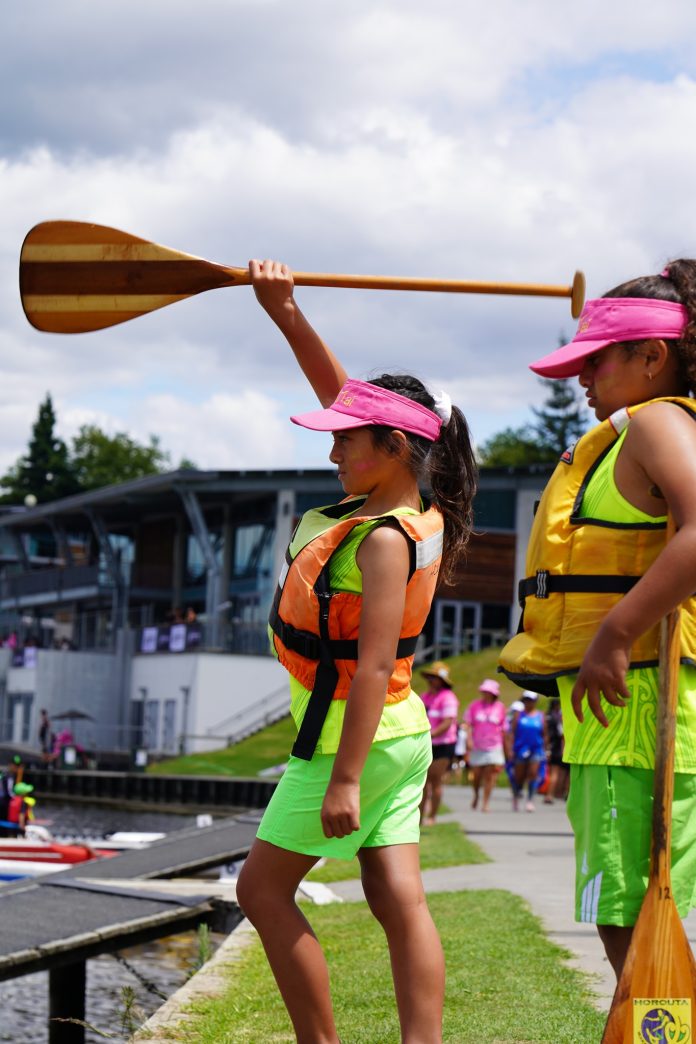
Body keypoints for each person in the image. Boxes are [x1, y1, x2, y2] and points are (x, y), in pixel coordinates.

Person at [235, 258, 478, 1043]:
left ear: (396, 447)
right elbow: (344, 396)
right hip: (402, 737)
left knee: (260, 893)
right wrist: (286, 312)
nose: (333, 452)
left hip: (352, 741)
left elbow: (371, 664)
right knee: (399, 898)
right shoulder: (415, 510)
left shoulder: (378, 539)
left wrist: (342, 779)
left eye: (346, 441)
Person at [499, 260, 696, 980]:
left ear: (652, 357)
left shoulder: (658, 423)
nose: (582, 377)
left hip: (636, 707)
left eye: (597, 360)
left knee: (624, 904)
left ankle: (657, 1028)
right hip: (629, 706)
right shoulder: (642, 429)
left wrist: (613, 633)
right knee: (630, 905)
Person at [418, 661, 459, 826]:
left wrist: (431, 734)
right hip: (426, 743)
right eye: (429, 677)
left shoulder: (448, 697)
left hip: (442, 744)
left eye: (434, 677)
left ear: (441, 680)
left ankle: (432, 816)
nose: (430, 680)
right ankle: (419, 818)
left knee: (435, 780)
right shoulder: (425, 696)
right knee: (422, 783)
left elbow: (447, 722)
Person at [463, 679, 506, 812]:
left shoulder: (500, 707)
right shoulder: (474, 706)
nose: (486, 694)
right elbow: (468, 724)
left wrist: (506, 747)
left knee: (490, 775)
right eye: (485, 691)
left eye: (489, 692)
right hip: (477, 746)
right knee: (476, 775)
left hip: (494, 745)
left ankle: (485, 802)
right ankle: (476, 794)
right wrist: (468, 739)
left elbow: (504, 727)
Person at [509, 690, 547, 812]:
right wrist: (510, 749)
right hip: (520, 749)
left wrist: (546, 749)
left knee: (533, 773)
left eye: (531, 700)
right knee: (519, 776)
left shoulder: (540, 716)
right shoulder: (519, 715)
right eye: (526, 700)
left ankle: (530, 799)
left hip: (536, 749)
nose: (528, 703)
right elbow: (512, 733)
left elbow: (544, 734)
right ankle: (516, 794)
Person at [544, 697, 569, 803]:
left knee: (556, 773)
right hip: (559, 748)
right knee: (560, 773)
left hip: (552, 747)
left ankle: (555, 793)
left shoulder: (547, 716)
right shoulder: (558, 717)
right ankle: (553, 794)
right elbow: (562, 734)